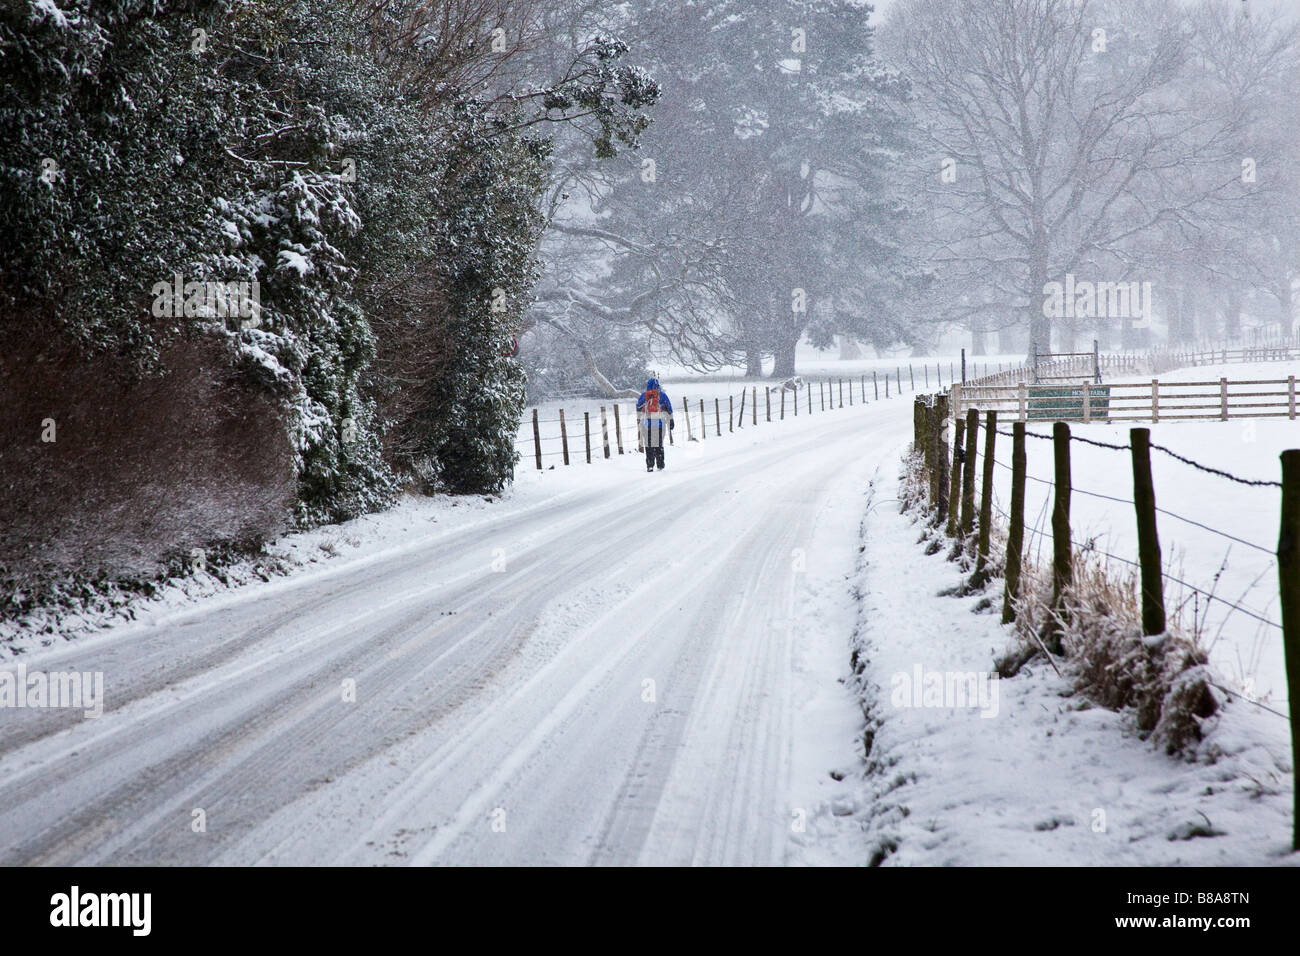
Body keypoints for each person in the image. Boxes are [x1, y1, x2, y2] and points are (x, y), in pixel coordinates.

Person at [636, 377, 674, 471]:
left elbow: (638, 408)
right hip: (659, 424)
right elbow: (669, 408)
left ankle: (650, 465)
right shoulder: (662, 395)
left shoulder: (644, 395)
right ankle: (660, 465)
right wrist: (671, 420)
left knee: (649, 446)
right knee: (659, 445)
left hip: (646, 425)